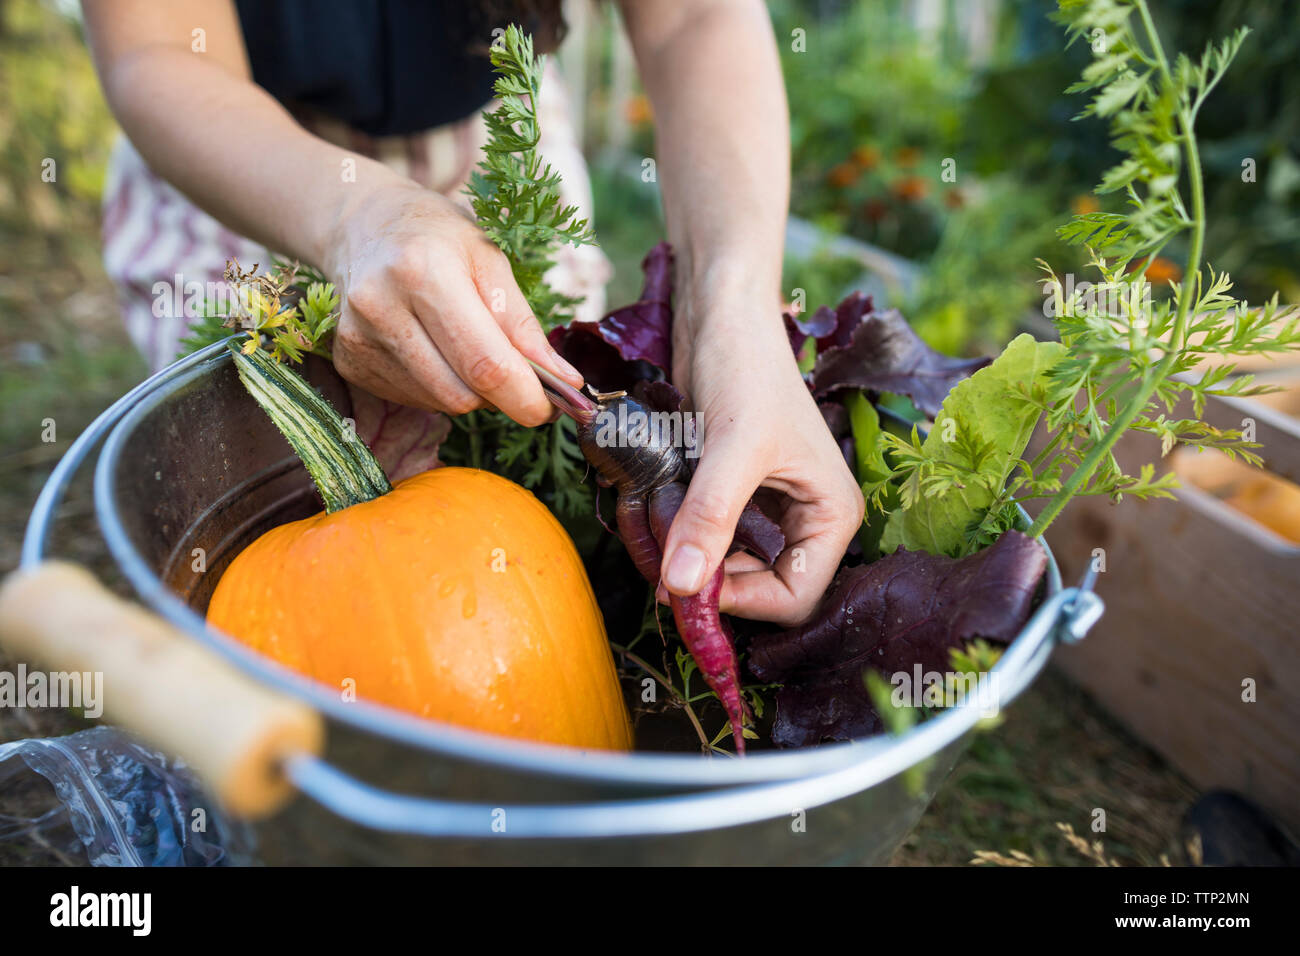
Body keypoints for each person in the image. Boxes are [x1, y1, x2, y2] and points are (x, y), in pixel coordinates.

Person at [81, 0, 863, 627]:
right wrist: (355, 217)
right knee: (272, 500)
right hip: (241, 149)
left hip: (493, 135)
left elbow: (695, 17)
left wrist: (735, 314)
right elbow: (159, 50)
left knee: (525, 478)